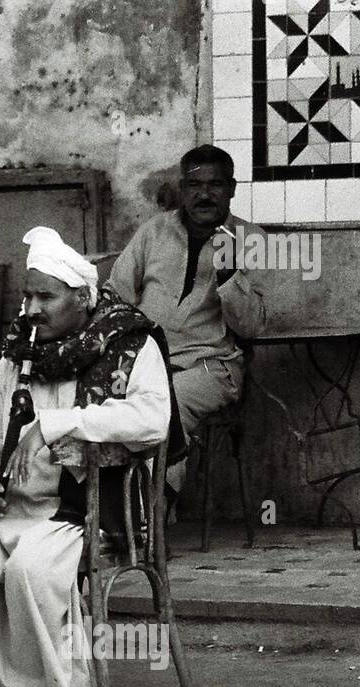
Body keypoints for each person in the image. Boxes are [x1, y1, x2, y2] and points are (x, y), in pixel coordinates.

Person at [0, 227, 175, 687]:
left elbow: (152, 417)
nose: (31, 308)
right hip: (8, 511)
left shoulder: (128, 344)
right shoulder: (17, 356)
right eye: (27, 295)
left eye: (45, 296)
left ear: (83, 298)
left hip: (79, 512)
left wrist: (57, 422)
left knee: (31, 572)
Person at [107, 144, 268, 488]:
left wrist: (228, 276)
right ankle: (120, 512)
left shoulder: (251, 240)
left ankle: (152, 511)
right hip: (146, 363)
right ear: (182, 190)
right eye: (195, 186)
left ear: (232, 189)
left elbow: (253, 326)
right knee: (104, 404)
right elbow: (115, 293)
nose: (205, 195)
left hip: (211, 368)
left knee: (162, 405)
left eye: (216, 185)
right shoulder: (154, 232)